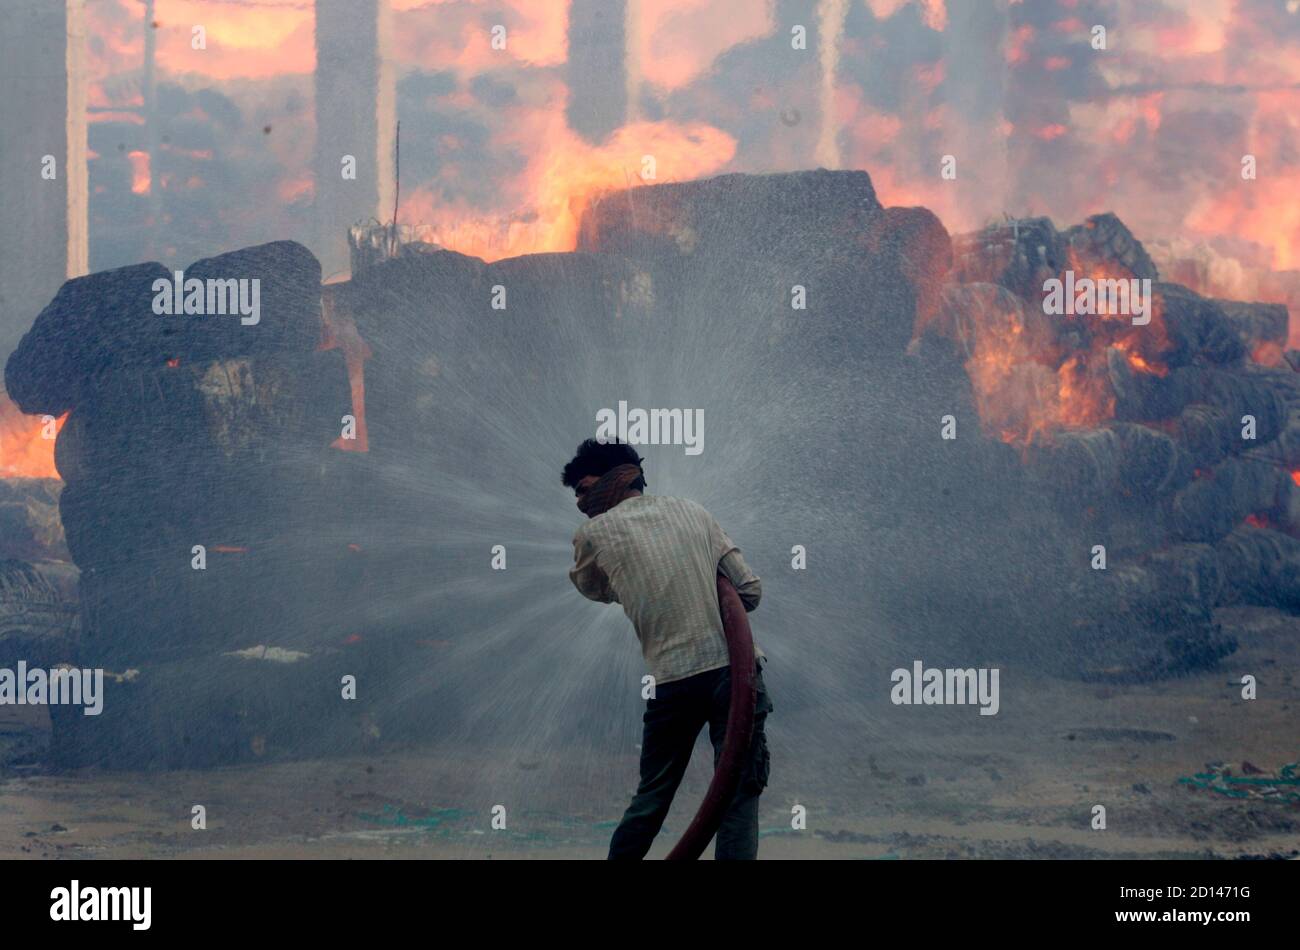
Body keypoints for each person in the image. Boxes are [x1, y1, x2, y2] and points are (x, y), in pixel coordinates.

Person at [562, 439, 772, 860]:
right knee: (738, 794)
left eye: (584, 489)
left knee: (652, 798)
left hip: (672, 681)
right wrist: (702, 578)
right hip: (737, 675)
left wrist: (642, 581)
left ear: (614, 478)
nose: (581, 503)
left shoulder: (593, 536)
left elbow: (596, 588)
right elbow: (749, 591)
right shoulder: (694, 512)